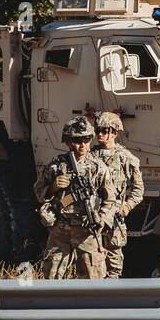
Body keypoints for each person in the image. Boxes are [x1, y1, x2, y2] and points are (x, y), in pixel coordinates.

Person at [34, 117, 118, 279]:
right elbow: (38, 193)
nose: (83, 145)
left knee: (93, 279)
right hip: (60, 229)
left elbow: (110, 199)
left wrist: (100, 219)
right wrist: (54, 187)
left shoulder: (98, 168)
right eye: (78, 140)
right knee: (52, 277)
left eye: (87, 139)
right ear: (67, 141)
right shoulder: (56, 166)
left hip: (87, 230)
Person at [91, 111, 144, 279]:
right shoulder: (89, 157)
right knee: (91, 264)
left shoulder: (126, 159)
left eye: (104, 130)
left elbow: (138, 190)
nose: (100, 134)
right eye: (98, 130)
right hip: (93, 217)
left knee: (114, 267)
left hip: (114, 219)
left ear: (114, 132)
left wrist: (126, 206)